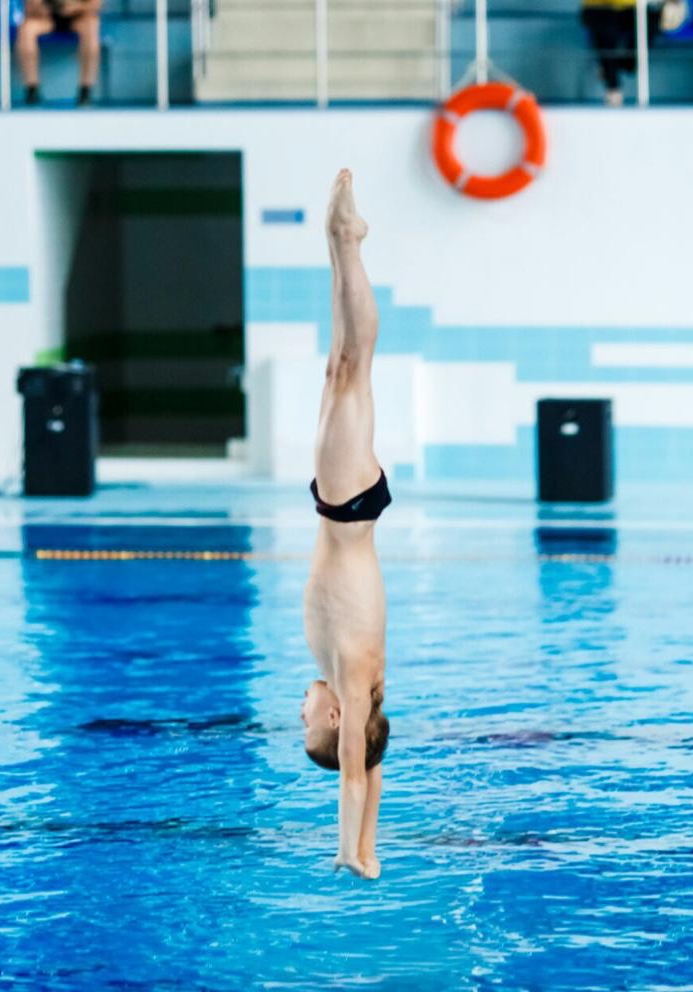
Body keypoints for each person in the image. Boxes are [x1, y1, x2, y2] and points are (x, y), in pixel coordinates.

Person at [301, 169, 391, 882]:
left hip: (345, 506)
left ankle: (342, 244)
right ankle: (346, 242)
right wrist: (347, 852)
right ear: (336, 720)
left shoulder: (348, 678)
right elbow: (356, 773)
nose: (300, 709)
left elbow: (373, 765)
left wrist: (372, 849)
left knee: (340, 367)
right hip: (346, 506)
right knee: (353, 366)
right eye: (304, 721)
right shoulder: (354, 680)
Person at [16, 0, 104, 107]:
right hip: (48, 18)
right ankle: (32, 88)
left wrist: (75, 7)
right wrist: (54, 8)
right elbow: (33, 2)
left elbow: (95, 3)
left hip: (78, 18)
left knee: (92, 26)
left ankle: (85, 89)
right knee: (26, 29)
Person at [580, 0, 662, 106]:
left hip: (631, 6)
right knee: (605, 27)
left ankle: (619, 64)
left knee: (652, 20)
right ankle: (613, 88)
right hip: (599, 5)